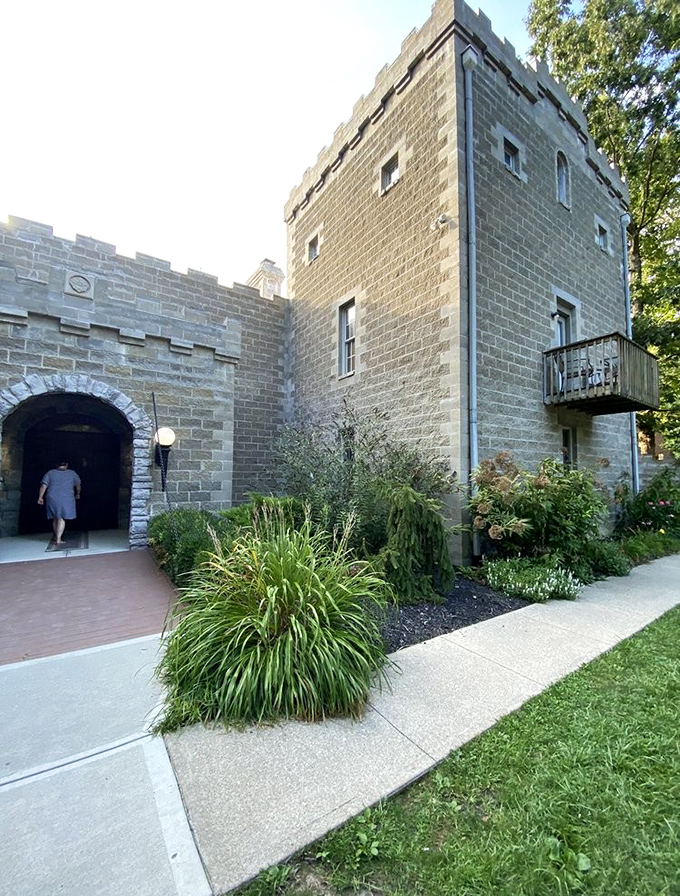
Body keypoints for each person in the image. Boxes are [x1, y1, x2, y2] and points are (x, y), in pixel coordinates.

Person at [38, 461, 82, 545]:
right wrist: (78, 493)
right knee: (61, 517)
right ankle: (58, 539)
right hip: (66, 498)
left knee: (55, 517)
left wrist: (40, 497)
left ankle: (56, 536)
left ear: (56, 465)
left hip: (52, 497)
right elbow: (78, 484)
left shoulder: (50, 473)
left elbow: (44, 485)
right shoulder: (72, 473)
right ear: (66, 465)